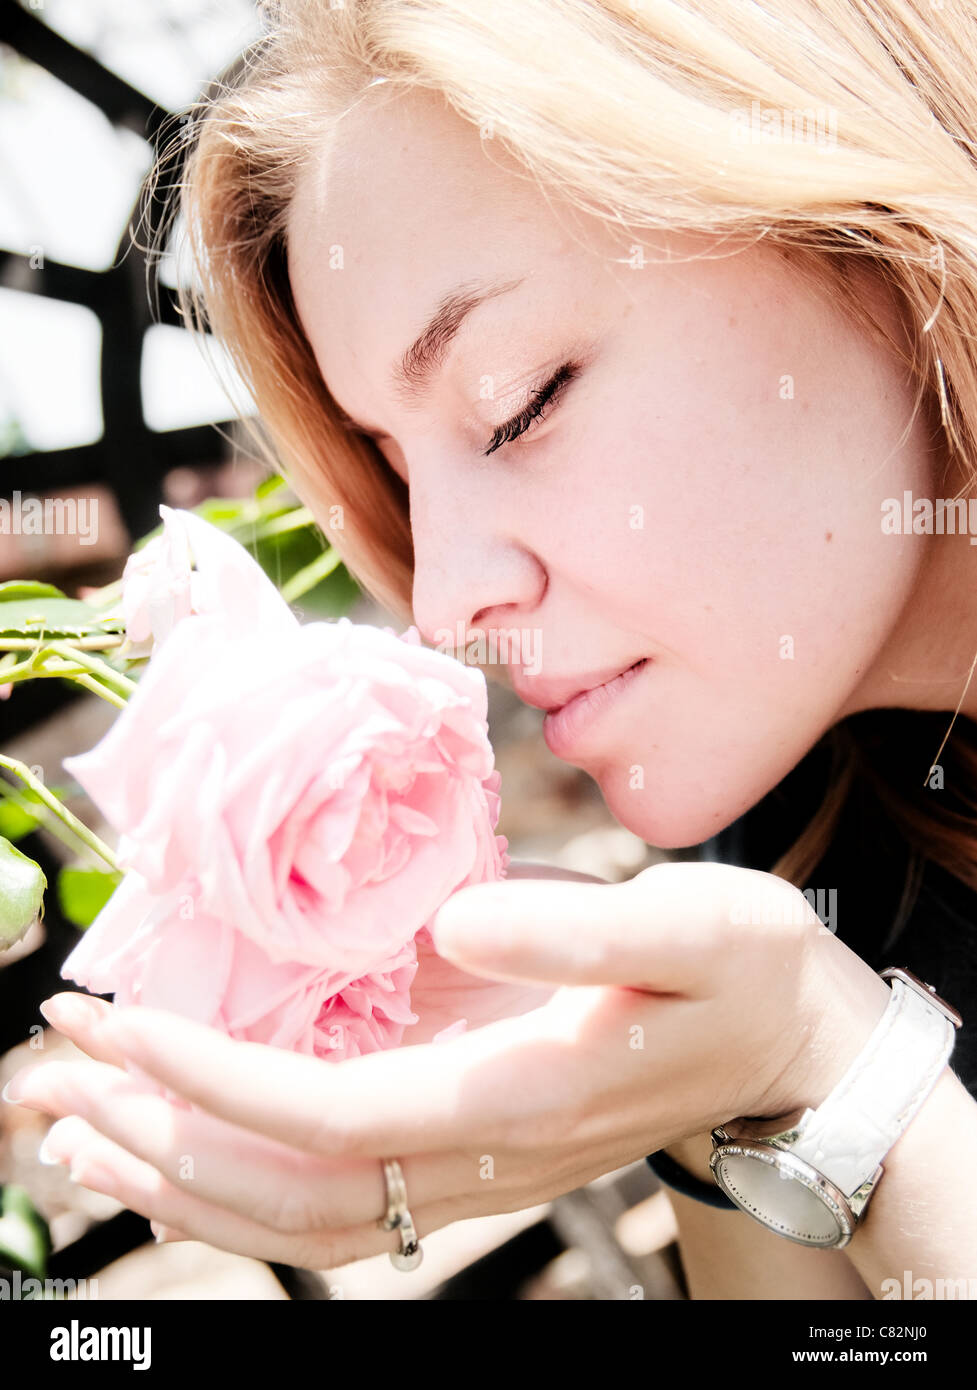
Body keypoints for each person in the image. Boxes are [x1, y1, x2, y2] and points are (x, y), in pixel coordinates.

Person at [5, 0, 977, 1299]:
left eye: (517, 400)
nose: (447, 602)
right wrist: (721, 1077)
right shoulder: (778, 858)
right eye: (393, 471)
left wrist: (854, 1075)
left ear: (877, 235)